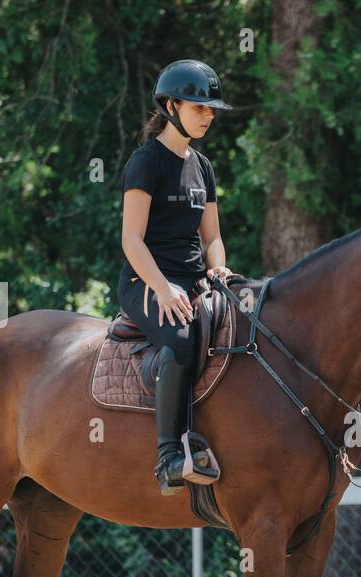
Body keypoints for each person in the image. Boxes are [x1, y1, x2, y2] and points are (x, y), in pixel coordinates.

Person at [119, 58, 234, 493]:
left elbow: (213, 237)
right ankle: (169, 454)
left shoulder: (203, 167)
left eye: (211, 109)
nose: (208, 115)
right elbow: (132, 240)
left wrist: (218, 265)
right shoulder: (147, 162)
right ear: (170, 105)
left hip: (195, 280)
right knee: (182, 338)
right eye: (199, 107)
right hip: (144, 281)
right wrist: (162, 288)